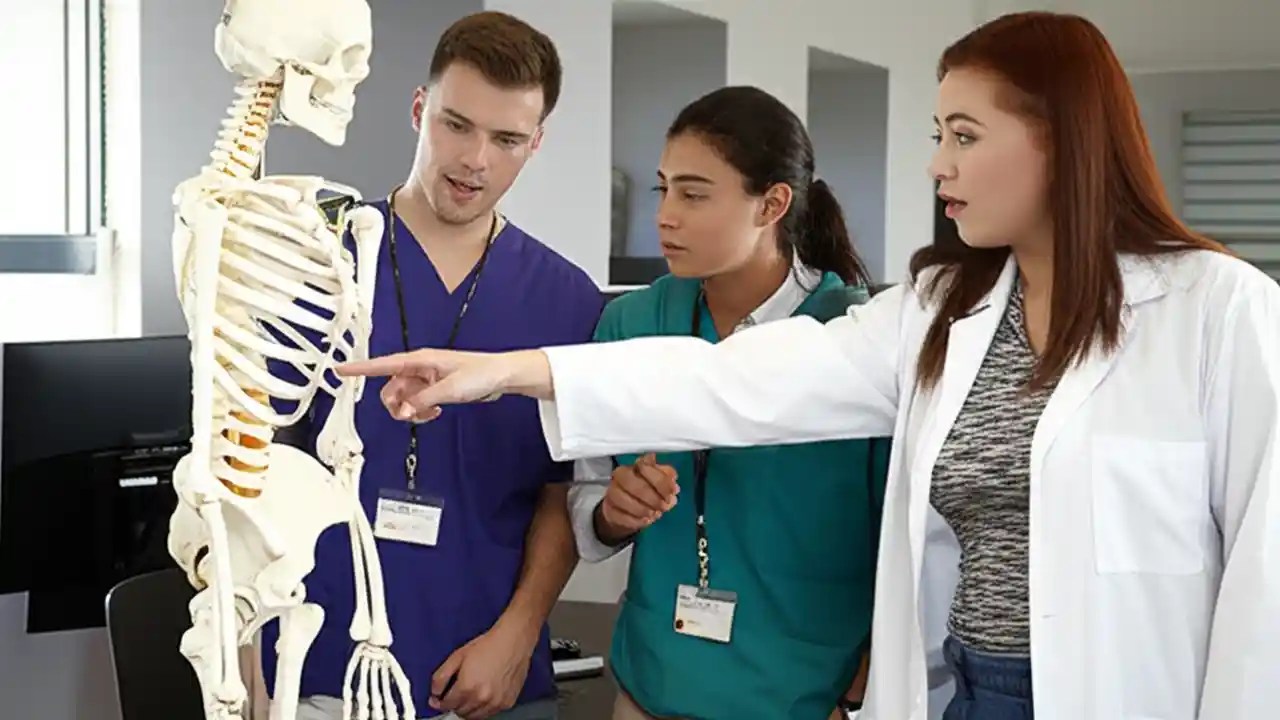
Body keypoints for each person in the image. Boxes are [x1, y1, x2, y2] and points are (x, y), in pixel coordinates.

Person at [339, 11, 1280, 720]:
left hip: (1131, 690)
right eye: (936, 135)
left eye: (963, 135)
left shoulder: (1218, 310)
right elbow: (742, 379)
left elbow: (1265, 589)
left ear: (1059, 139)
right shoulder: (940, 311)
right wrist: (509, 372)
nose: (936, 165)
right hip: (967, 689)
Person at [261, 11, 605, 720]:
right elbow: (250, 469)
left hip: (491, 678)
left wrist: (517, 638)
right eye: (457, 125)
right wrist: (253, 681)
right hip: (320, 664)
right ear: (420, 111)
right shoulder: (313, 265)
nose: (476, 158)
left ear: (535, 144)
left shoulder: (567, 300)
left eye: (507, 139)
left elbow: (561, 496)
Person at [567, 86, 890, 720]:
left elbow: (898, 536)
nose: (665, 216)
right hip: (651, 687)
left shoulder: (857, 340)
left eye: (693, 194)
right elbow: (585, 500)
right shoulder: (630, 323)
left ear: (772, 204)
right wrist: (612, 512)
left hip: (802, 696)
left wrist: (860, 685)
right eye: (664, 190)